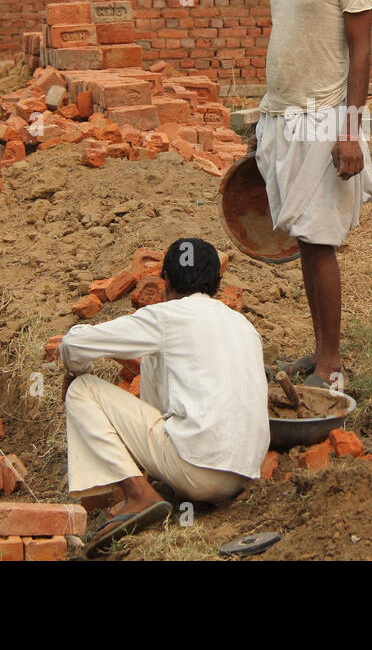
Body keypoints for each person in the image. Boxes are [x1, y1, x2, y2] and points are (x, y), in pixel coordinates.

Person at [246, 0, 372, 391]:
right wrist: (263, 115)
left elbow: (363, 53)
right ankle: (320, 351)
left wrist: (349, 131)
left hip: (324, 120)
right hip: (283, 118)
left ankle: (331, 366)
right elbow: (286, 50)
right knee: (304, 237)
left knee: (319, 241)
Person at [58, 237, 268, 555]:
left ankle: (139, 493)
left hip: (195, 469)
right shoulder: (245, 326)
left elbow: (72, 345)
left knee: (81, 391)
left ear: (166, 280)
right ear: (217, 282)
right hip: (242, 474)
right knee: (156, 354)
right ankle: (157, 479)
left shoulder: (167, 317)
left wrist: (76, 371)